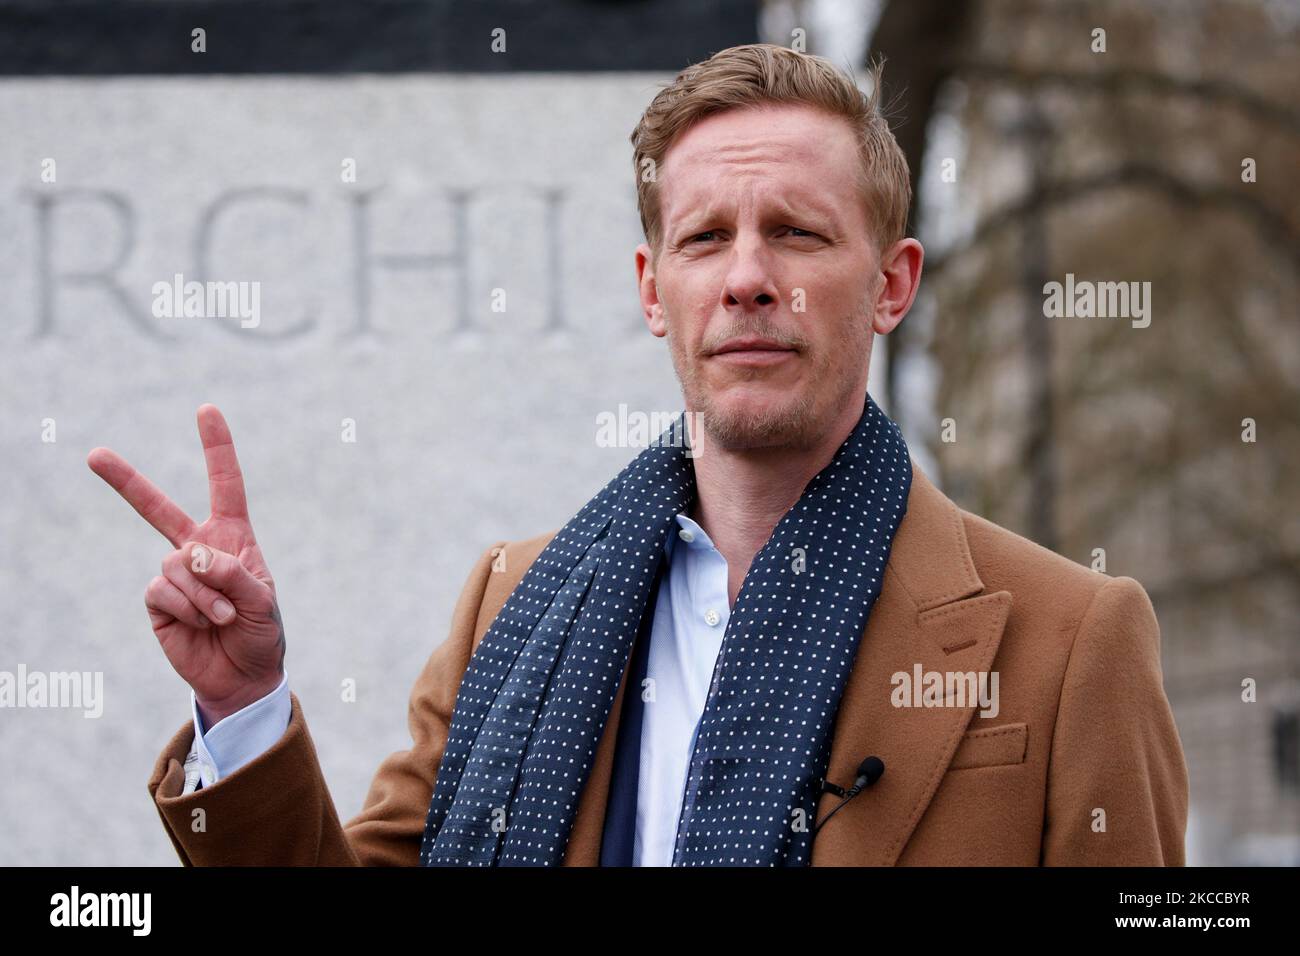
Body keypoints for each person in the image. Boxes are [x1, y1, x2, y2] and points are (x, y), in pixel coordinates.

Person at [87, 43, 1188, 866]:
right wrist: (245, 708)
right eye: (705, 237)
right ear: (653, 290)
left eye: (797, 232)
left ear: (893, 282)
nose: (747, 276)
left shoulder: (1071, 639)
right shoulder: (507, 605)